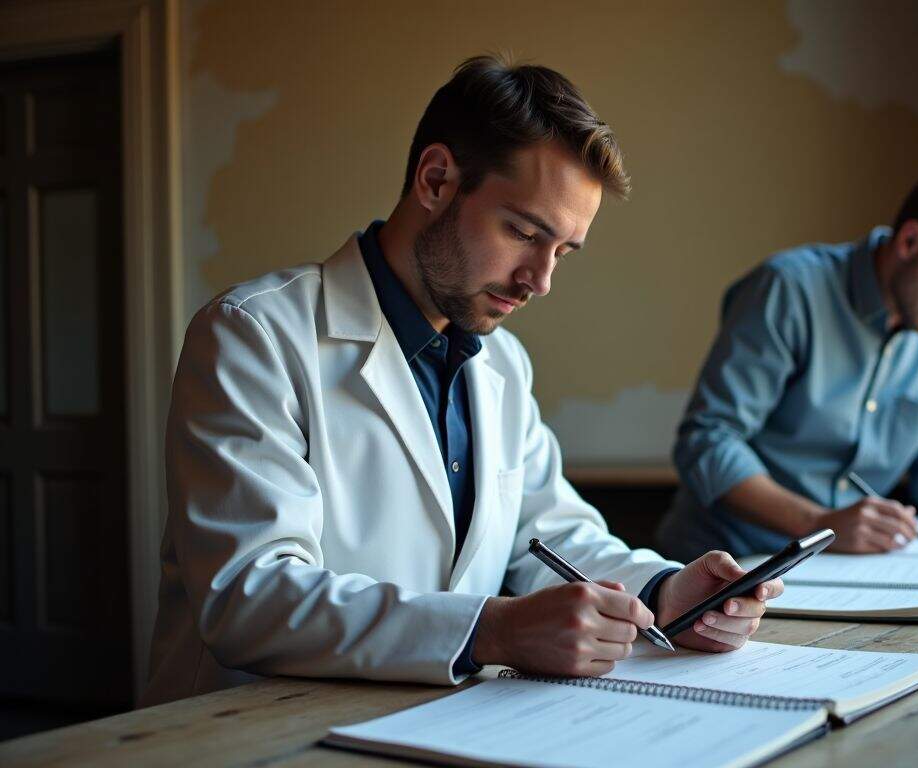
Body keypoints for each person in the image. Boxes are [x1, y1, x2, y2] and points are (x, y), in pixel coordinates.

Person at [143, 55, 779, 707]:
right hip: (248, 727)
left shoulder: (502, 363)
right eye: (524, 233)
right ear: (436, 180)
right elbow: (250, 596)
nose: (540, 280)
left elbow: (549, 538)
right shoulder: (253, 333)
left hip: (430, 722)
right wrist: (489, 630)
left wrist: (668, 593)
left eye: (562, 252)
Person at [656, 159, 918, 563]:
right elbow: (708, 439)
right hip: (725, 561)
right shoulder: (788, 290)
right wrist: (819, 523)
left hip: (845, 568)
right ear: (910, 241)